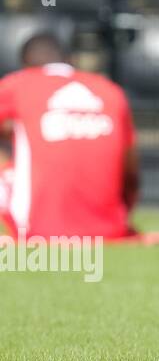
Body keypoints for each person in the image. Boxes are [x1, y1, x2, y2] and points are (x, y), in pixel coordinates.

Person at [0, 33, 139, 240]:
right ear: (70, 60)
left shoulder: (17, 85)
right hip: (111, 230)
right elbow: (131, 173)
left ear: (25, 65)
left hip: (39, 232)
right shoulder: (110, 91)